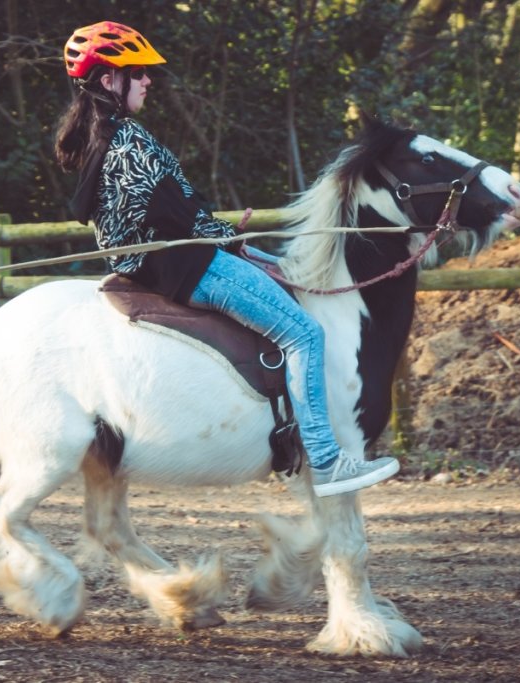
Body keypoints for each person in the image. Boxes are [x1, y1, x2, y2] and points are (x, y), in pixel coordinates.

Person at [55, 20, 398, 497]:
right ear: (109, 80)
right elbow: (178, 214)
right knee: (303, 333)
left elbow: (161, 213)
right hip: (187, 266)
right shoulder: (130, 140)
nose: (149, 80)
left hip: (166, 262)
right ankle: (325, 460)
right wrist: (220, 234)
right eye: (139, 72)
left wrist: (224, 233)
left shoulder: (102, 138)